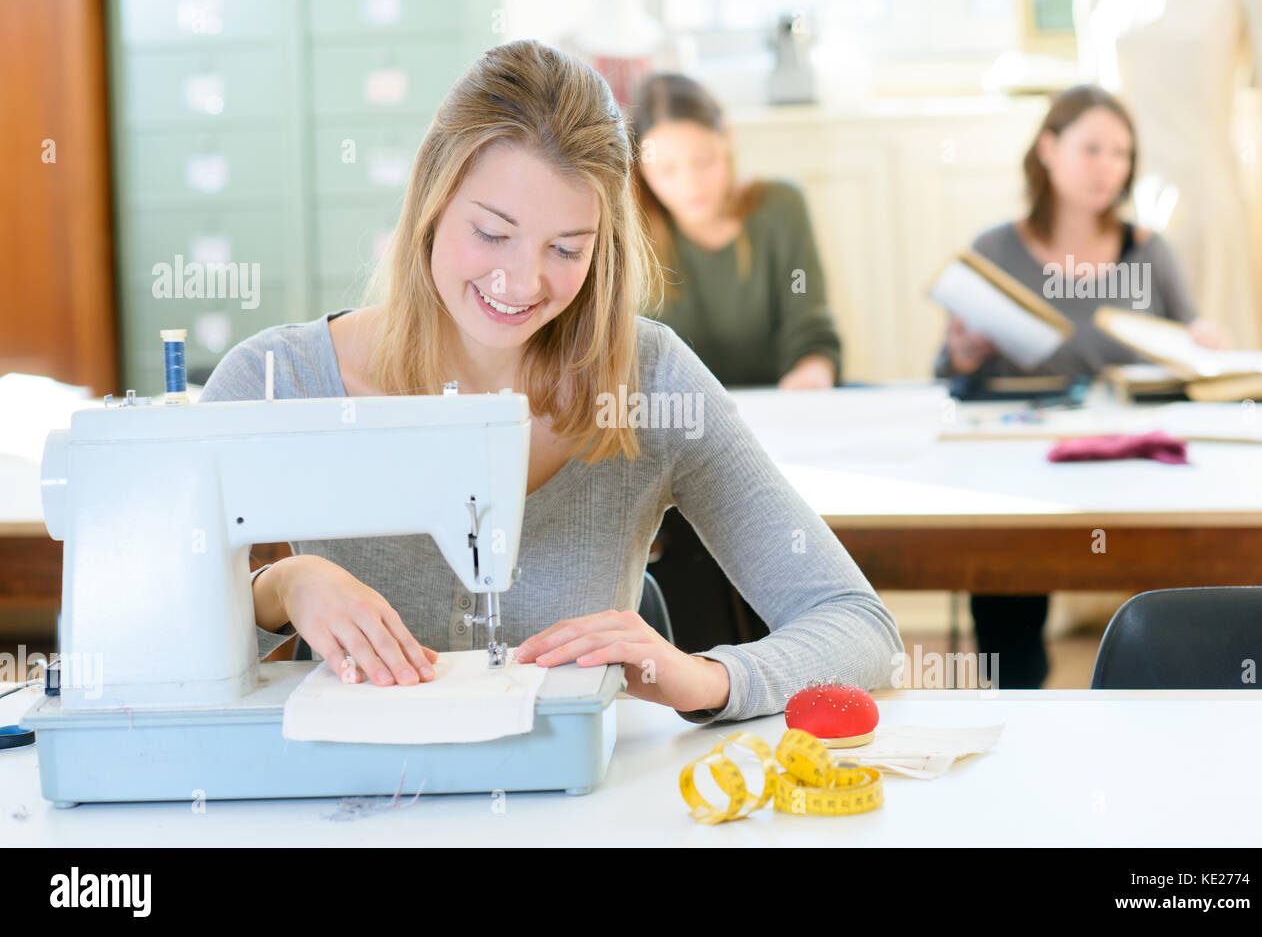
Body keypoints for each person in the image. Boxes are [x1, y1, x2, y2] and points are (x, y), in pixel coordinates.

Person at [199, 40, 903, 723]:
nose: (523, 281)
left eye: (566, 248)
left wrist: (703, 676)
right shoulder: (279, 382)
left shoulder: (649, 380)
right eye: (493, 232)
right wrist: (281, 588)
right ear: (431, 201)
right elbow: (146, 633)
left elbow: (860, 627)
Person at [935, 84, 1232, 688]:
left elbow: (1184, 353)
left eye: (1122, 154)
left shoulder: (1149, 251)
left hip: (1129, 454)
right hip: (1024, 453)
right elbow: (946, 373)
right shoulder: (995, 249)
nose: (1110, 168)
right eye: (1092, 149)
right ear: (1048, 148)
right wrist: (961, 354)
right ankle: (1015, 695)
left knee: (1187, 562)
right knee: (1004, 568)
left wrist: (1202, 340)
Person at [629, 72, 844, 652]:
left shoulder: (779, 208)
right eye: (666, 169)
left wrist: (812, 370)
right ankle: (724, 677)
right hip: (691, 452)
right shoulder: (634, 238)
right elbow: (639, 367)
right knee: (688, 547)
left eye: (704, 160)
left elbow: (811, 326)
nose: (692, 183)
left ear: (726, 140)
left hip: (783, 437)